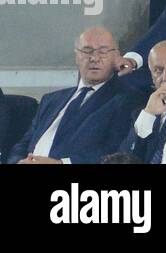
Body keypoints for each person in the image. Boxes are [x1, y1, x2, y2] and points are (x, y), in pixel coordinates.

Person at [8, 28, 143, 164]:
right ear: (76, 56)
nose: (94, 58)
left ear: (116, 57)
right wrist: (19, 162)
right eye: (87, 51)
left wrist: (60, 163)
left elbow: (115, 151)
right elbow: (23, 144)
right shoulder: (51, 100)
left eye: (103, 51)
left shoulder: (127, 100)